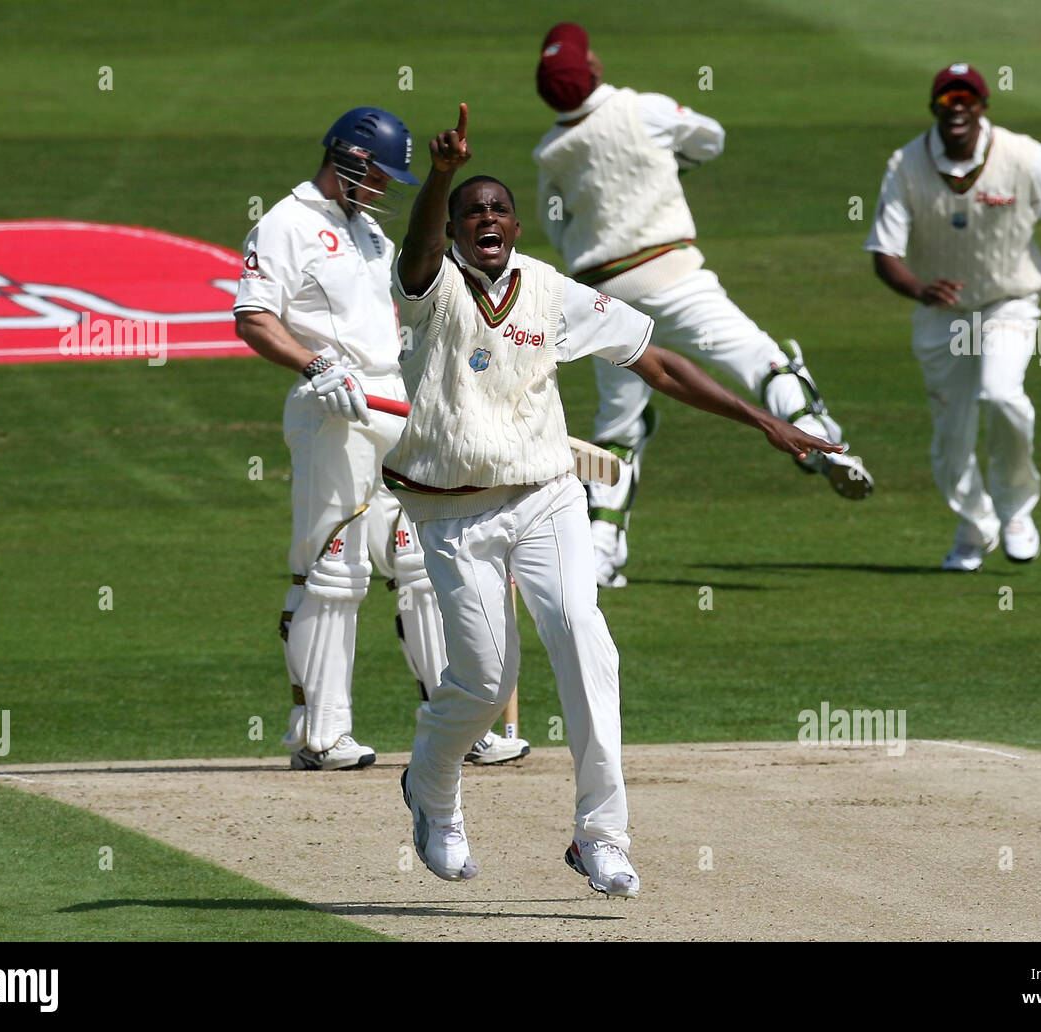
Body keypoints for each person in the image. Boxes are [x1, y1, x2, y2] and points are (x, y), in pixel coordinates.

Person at [386, 103, 840, 897]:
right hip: (454, 508)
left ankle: (600, 835)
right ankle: (431, 789)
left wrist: (761, 417)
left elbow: (656, 362)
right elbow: (420, 248)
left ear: (518, 226)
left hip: (547, 496)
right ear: (455, 229)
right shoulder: (430, 287)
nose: (484, 218)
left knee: (587, 645)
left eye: (498, 208)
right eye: (471, 211)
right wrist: (443, 175)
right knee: (484, 685)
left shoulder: (553, 291)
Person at [232, 107, 529, 772]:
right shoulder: (286, 223)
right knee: (335, 570)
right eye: (377, 174)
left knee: (420, 565)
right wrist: (315, 365)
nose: (381, 189)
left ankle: (460, 725)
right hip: (332, 410)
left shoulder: (366, 232)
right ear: (345, 157)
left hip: (395, 407)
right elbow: (252, 317)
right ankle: (320, 734)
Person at [531, 22, 874, 588]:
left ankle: (600, 548)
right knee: (760, 358)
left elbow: (556, 224)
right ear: (591, 68)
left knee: (619, 424)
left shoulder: (549, 152)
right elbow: (710, 137)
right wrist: (671, 162)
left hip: (603, 297)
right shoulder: (641, 109)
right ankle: (821, 439)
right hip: (674, 275)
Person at [864, 63, 1041, 570]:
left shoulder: (1023, 155)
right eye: (948, 100)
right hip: (943, 314)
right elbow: (884, 254)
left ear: (982, 107)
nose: (957, 109)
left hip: (1009, 302)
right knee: (951, 439)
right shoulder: (905, 164)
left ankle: (1016, 510)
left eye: (966, 99)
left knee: (1001, 394)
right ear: (935, 108)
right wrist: (919, 289)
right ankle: (974, 527)